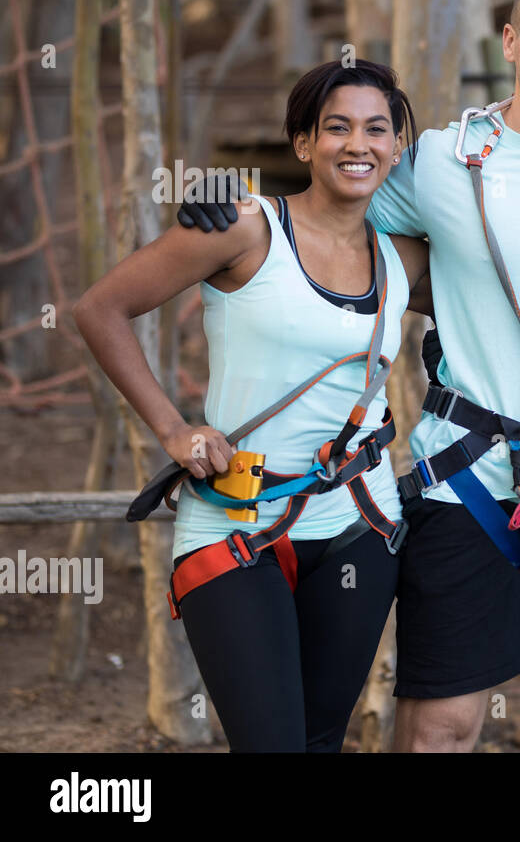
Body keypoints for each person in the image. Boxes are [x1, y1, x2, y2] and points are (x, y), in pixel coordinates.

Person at [179, 0, 520, 753]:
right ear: (510, 40)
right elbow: (332, 209)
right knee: (442, 726)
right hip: (463, 475)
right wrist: (228, 196)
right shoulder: (444, 159)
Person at [75, 60, 432, 752]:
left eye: (376, 130)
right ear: (303, 143)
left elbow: (512, 282)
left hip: (359, 525)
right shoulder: (245, 226)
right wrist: (173, 428)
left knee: (320, 740)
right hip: (235, 524)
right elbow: (99, 310)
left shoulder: (404, 259)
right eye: (337, 128)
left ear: (395, 148)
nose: (358, 144)